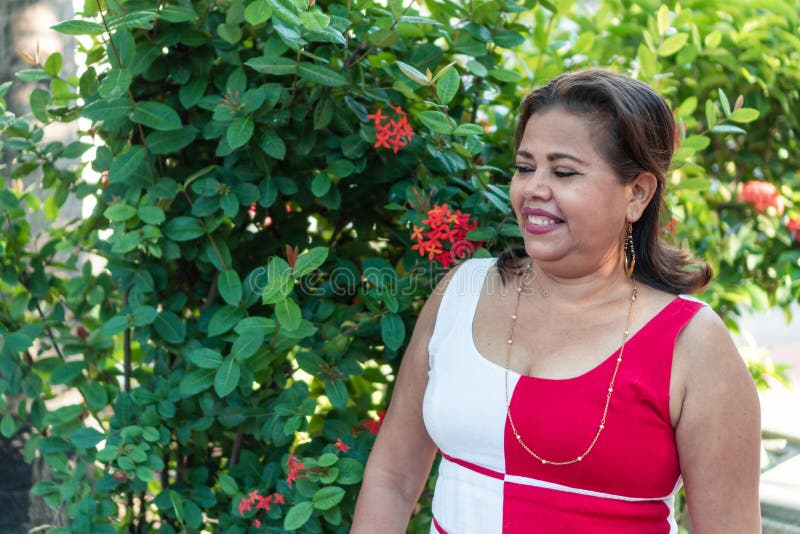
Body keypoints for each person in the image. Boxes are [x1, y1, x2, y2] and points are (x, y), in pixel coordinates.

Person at [352, 69, 761, 533]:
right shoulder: (459, 294)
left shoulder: (692, 344)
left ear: (638, 194)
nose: (533, 190)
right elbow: (393, 479)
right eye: (525, 167)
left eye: (564, 172)